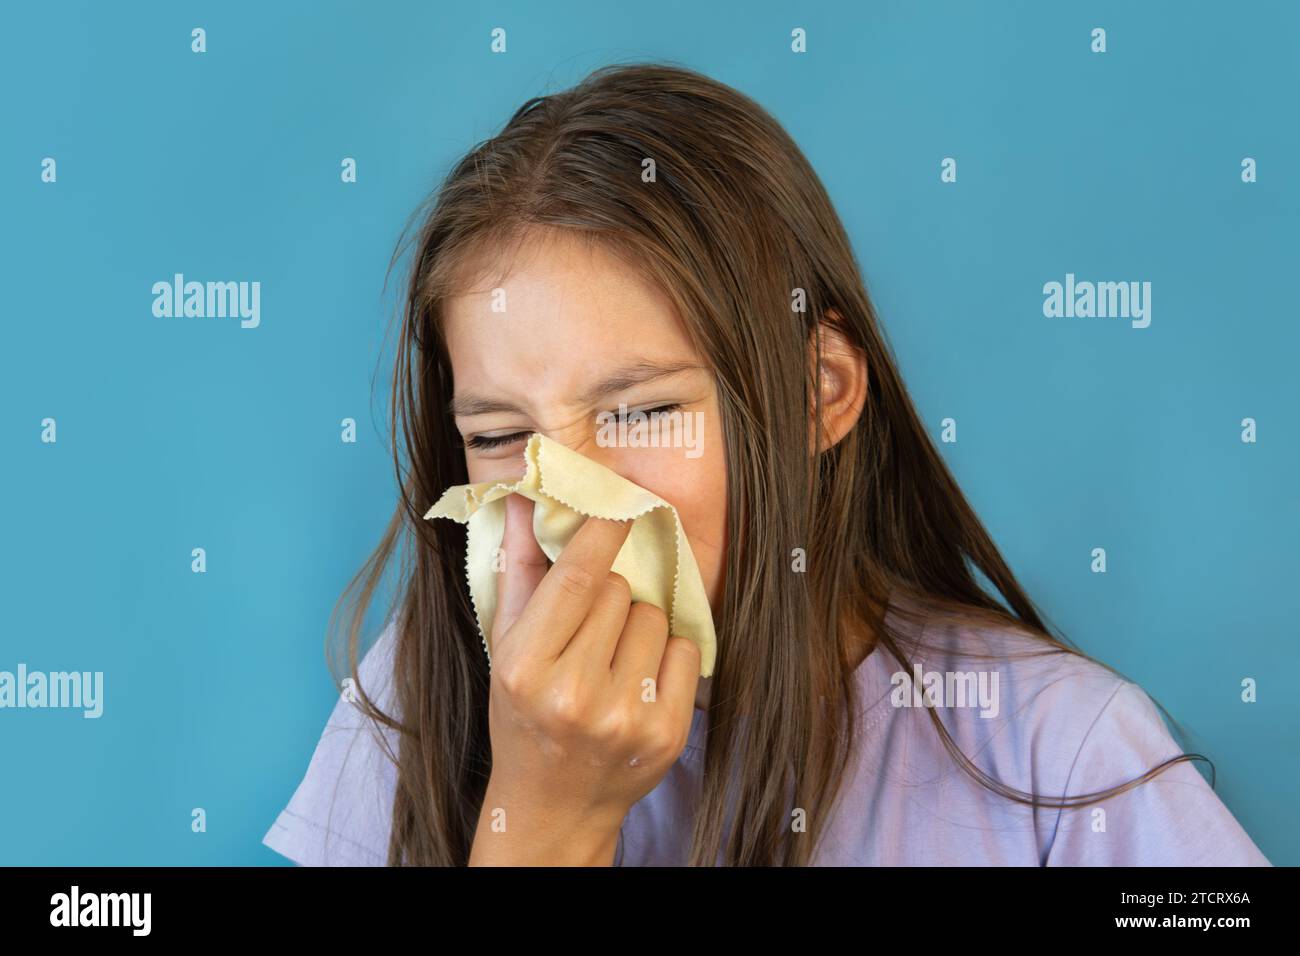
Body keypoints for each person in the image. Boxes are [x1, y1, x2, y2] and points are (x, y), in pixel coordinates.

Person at [261, 62, 1271, 867]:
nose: (562, 505)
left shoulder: (1062, 754)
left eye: (642, 410)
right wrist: (540, 816)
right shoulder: (419, 683)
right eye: (497, 435)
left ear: (815, 394)